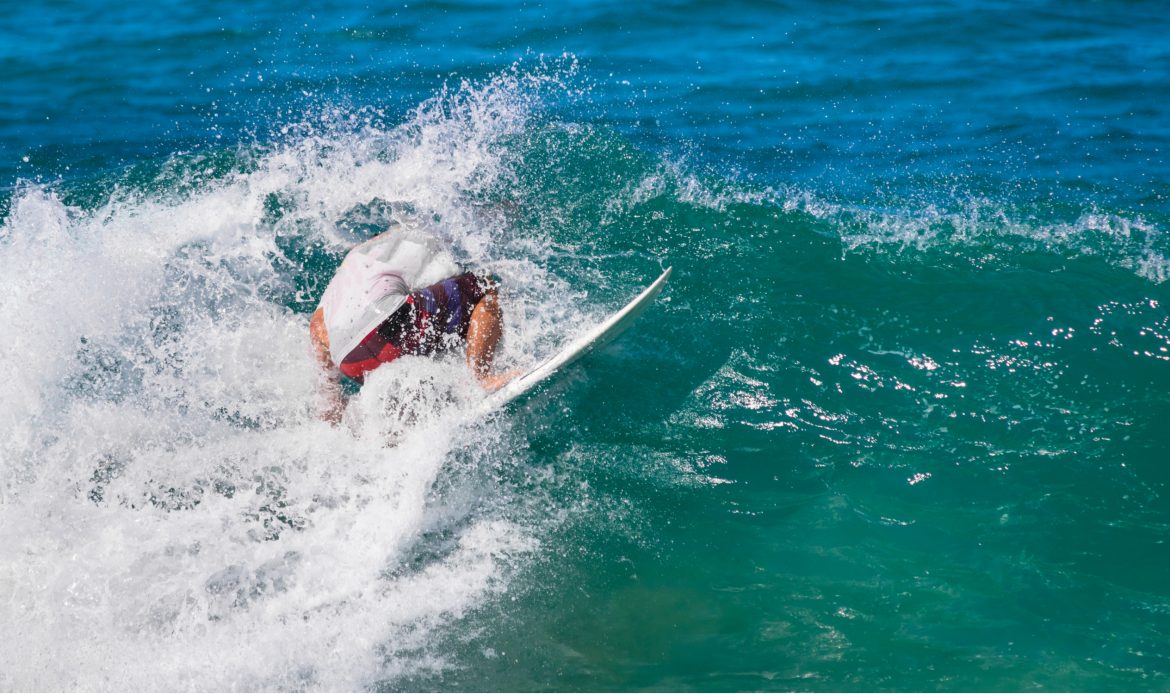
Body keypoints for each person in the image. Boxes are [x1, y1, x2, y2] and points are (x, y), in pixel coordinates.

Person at [309, 225, 513, 423]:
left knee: (410, 332)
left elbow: (317, 333)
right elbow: (449, 257)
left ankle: (401, 426)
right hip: (388, 324)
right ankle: (481, 378)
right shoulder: (398, 238)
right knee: (483, 286)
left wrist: (332, 405)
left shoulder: (336, 288)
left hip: (352, 361)